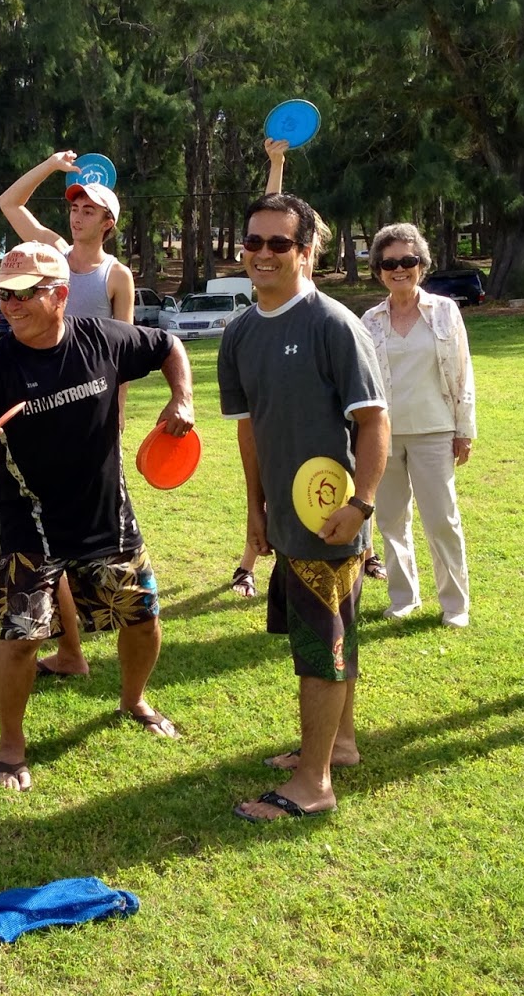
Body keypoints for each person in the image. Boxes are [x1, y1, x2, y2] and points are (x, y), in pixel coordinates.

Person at [0, 242, 194, 792]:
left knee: (142, 617)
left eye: (23, 294)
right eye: (3, 295)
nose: (9, 305)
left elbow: (170, 344)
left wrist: (183, 399)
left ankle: (134, 701)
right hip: (33, 530)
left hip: (108, 518)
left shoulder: (101, 338)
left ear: (60, 295)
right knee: (22, 637)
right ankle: (10, 747)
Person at [220, 156, 389, 821]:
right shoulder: (238, 334)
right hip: (285, 523)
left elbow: (376, 425)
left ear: (308, 250)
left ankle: (313, 785)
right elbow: (250, 433)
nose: (264, 253)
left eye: (280, 243)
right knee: (329, 634)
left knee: (319, 649)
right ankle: (339, 744)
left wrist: (361, 505)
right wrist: (255, 512)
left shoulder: (332, 326)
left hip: (332, 521)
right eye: (254, 242)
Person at [0, 150, 138, 678]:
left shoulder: (114, 275)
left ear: (108, 223)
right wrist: (51, 166)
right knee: (43, 524)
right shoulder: (49, 252)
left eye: (88, 209)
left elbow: (121, 354)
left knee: (96, 531)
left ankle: (91, 624)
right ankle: (69, 641)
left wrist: (117, 419)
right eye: (73, 207)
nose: (76, 216)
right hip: (40, 407)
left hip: (91, 415)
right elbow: (10, 202)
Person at [360, 222, 476, 627]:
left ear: (422, 265)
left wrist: (464, 430)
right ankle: (404, 597)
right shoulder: (369, 321)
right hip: (383, 435)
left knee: (442, 519)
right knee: (391, 519)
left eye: (408, 260)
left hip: (435, 430)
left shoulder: (445, 311)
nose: (399, 269)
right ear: (378, 270)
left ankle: (455, 605)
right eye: (389, 262)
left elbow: (463, 373)